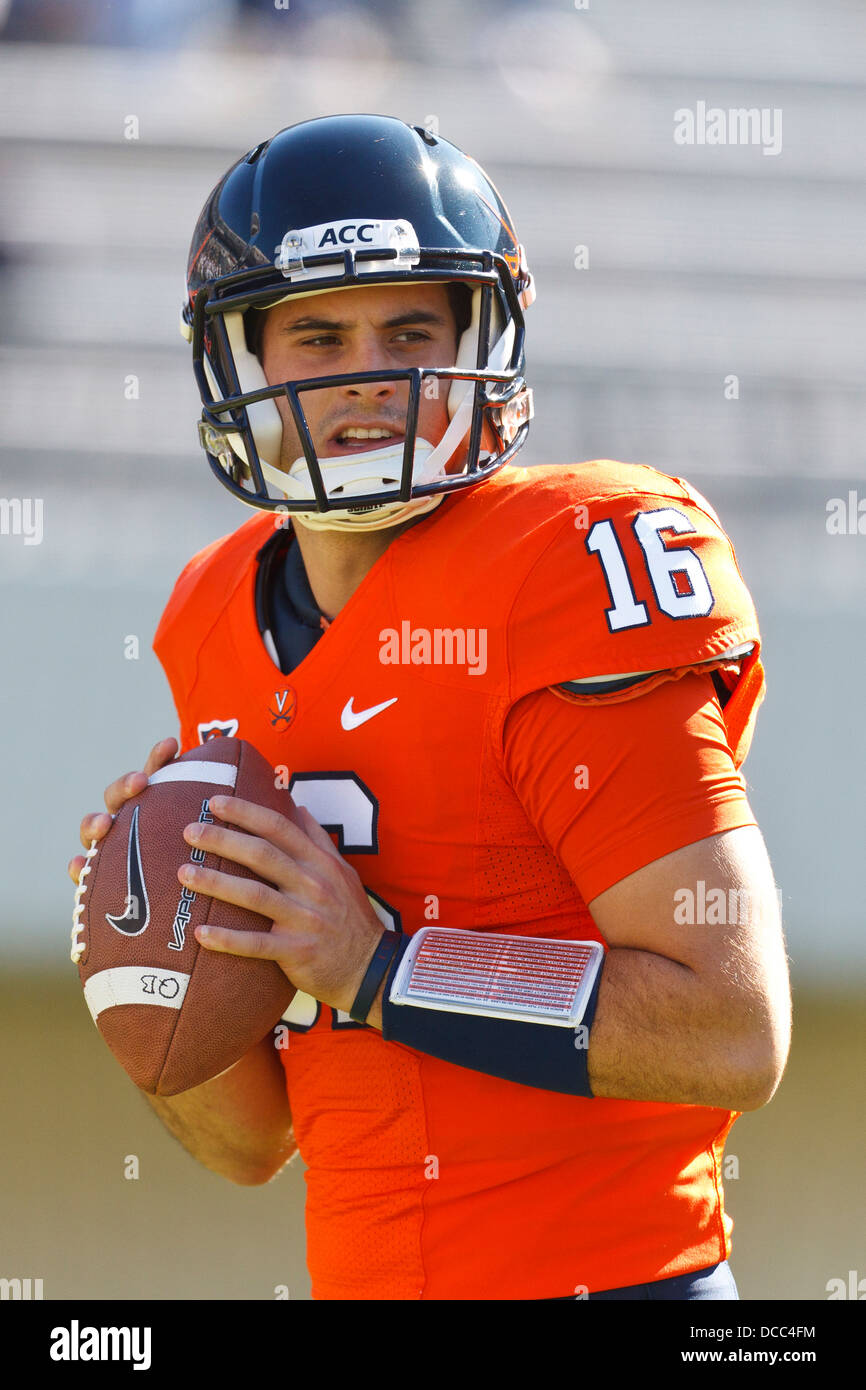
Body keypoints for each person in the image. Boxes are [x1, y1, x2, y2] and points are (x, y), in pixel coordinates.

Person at [69, 114, 790, 1301]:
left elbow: (729, 1031)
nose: (368, 374)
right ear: (246, 356)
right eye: (318, 334)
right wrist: (145, 974)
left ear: (477, 342)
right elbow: (251, 1145)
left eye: (410, 327)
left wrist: (379, 967)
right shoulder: (208, 609)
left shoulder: (571, 555)